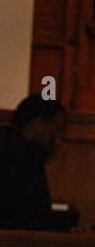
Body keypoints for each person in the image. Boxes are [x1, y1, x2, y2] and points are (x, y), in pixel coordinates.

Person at [0, 95, 73, 230]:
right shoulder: (26, 158)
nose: (58, 141)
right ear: (38, 123)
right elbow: (34, 215)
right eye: (57, 129)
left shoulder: (15, 147)